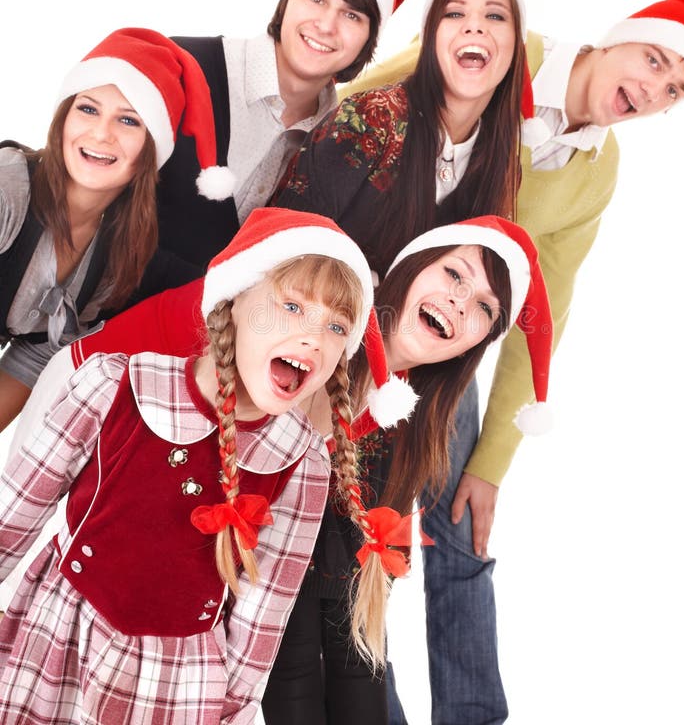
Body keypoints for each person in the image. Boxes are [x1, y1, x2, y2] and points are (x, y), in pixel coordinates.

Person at [340, 0, 684, 723]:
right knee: (363, 547)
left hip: (444, 357)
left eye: (675, 89)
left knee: (458, 541)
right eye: (653, 61)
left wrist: (492, 463)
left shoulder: (597, 169)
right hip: (358, 319)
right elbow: (359, 104)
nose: (652, 90)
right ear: (611, 41)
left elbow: (544, 309)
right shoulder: (503, 47)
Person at [0, 207, 414, 722]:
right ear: (236, 302)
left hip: (180, 685)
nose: (314, 338)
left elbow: (262, 619)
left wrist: (231, 710)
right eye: (291, 306)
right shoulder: (115, 385)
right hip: (58, 639)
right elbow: (12, 517)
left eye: (336, 326)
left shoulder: (302, 462)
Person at [262, 214, 552, 725]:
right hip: (250, 576)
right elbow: (289, 657)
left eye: (485, 307)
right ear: (415, 264)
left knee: (358, 660)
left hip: (328, 582)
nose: (461, 302)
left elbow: (357, 640)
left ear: (476, 344)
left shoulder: (411, 429)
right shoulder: (323, 338)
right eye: (455, 275)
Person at [0, 27, 217, 433]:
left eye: (128, 120)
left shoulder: (116, 254)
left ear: (151, 149)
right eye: (87, 109)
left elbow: (32, 358)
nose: (101, 133)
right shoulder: (7, 191)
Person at [156, 0, 406, 266]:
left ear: (368, 41)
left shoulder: (343, 143)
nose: (326, 25)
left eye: (352, 15)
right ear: (287, 2)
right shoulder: (184, 65)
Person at [271, 0, 530, 279]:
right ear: (429, 39)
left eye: (495, 16)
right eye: (454, 13)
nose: (475, 26)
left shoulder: (502, 165)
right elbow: (278, 251)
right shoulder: (371, 118)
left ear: (517, 45)